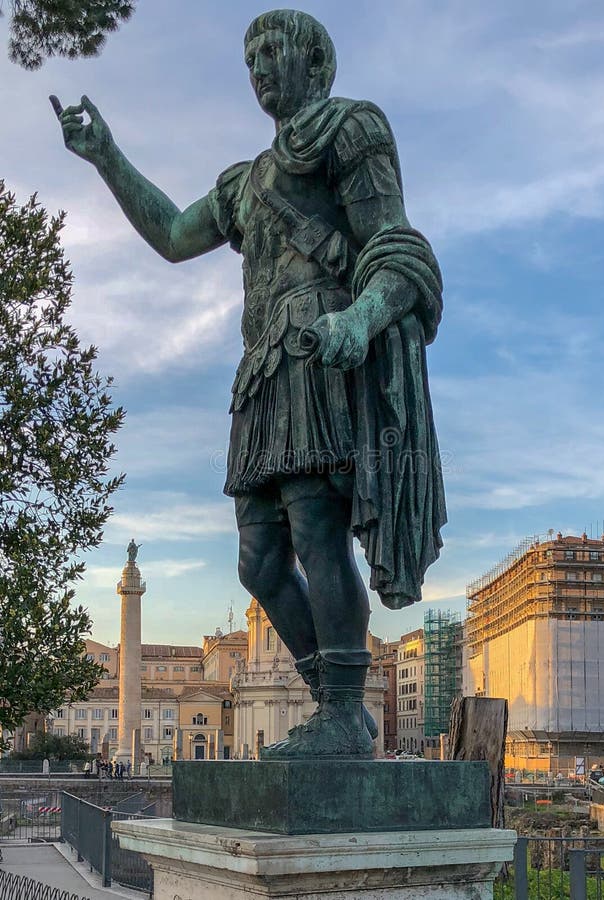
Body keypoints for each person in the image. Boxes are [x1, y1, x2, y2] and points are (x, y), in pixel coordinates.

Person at [51, 9, 445, 758]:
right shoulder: (246, 183)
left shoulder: (350, 131)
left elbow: (394, 247)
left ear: (316, 63)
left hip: (315, 348)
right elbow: (172, 235)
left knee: (316, 527)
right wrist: (106, 157)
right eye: (250, 56)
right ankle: (341, 707)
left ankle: (337, 708)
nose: (259, 66)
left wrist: (357, 321)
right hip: (261, 368)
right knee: (257, 560)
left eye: (273, 50)